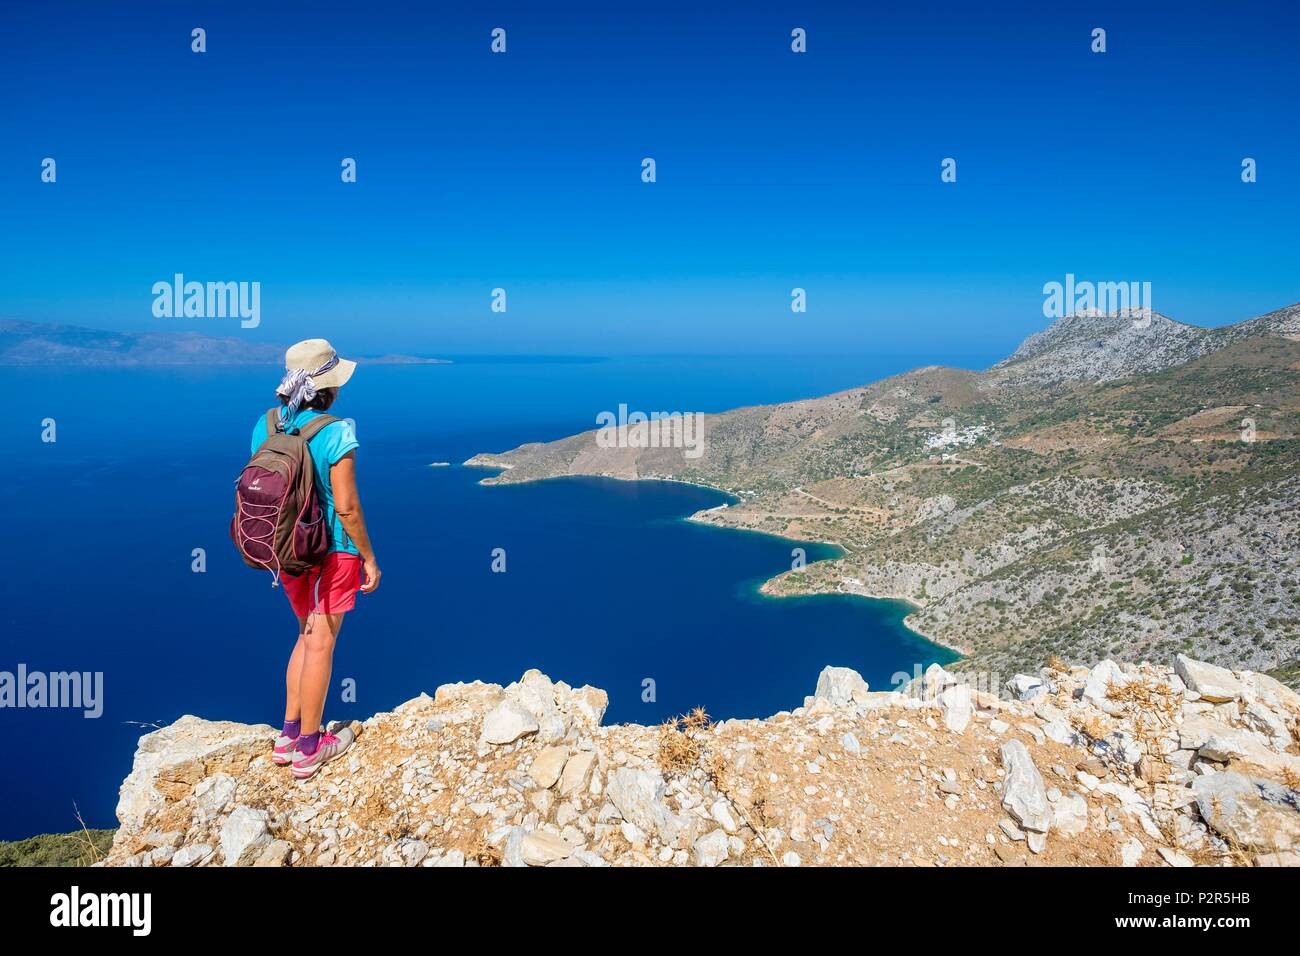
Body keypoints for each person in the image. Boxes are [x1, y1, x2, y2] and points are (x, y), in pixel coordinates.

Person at [251, 339, 381, 779]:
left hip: (285, 551)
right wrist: (369, 558)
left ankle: (287, 735)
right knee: (322, 643)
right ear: (329, 387)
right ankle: (310, 747)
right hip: (333, 552)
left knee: (305, 635)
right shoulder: (337, 431)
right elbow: (347, 508)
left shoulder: (267, 425)